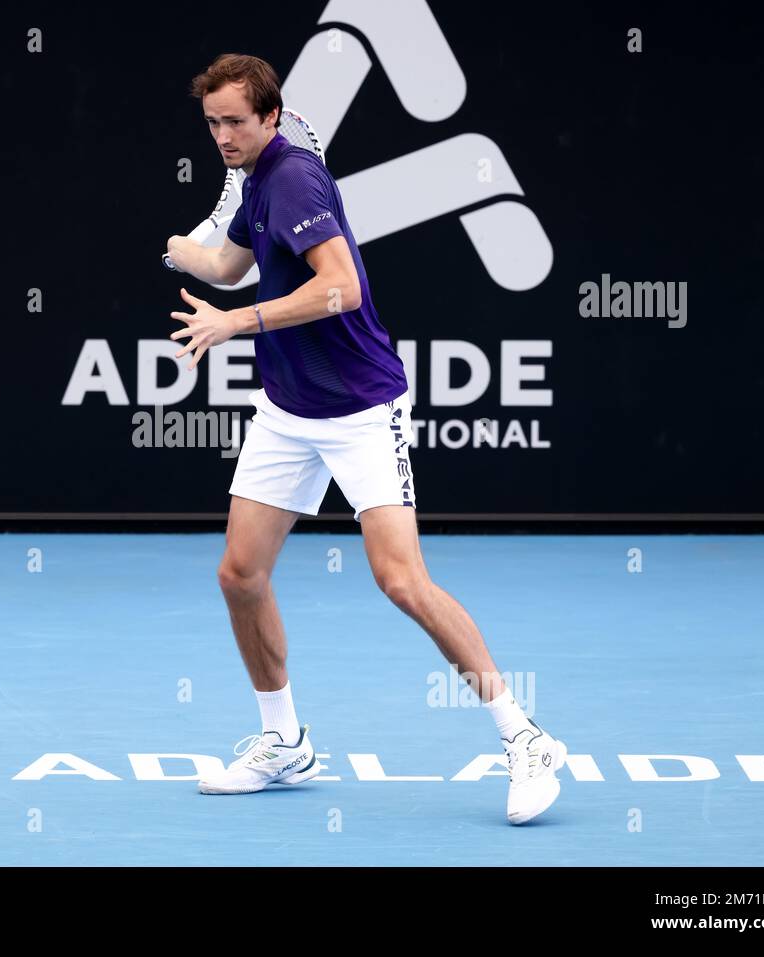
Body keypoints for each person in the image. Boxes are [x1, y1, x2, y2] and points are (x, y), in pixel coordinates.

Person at [164, 53, 566, 824]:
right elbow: (227, 262)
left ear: (272, 117)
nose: (222, 135)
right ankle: (283, 743)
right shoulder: (254, 182)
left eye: (236, 121)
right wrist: (177, 248)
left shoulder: (294, 180)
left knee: (401, 581)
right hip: (288, 409)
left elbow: (338, 284)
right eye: (212, 122)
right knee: (240, 574)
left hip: (359, 407)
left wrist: (236, 320)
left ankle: (525, 737)